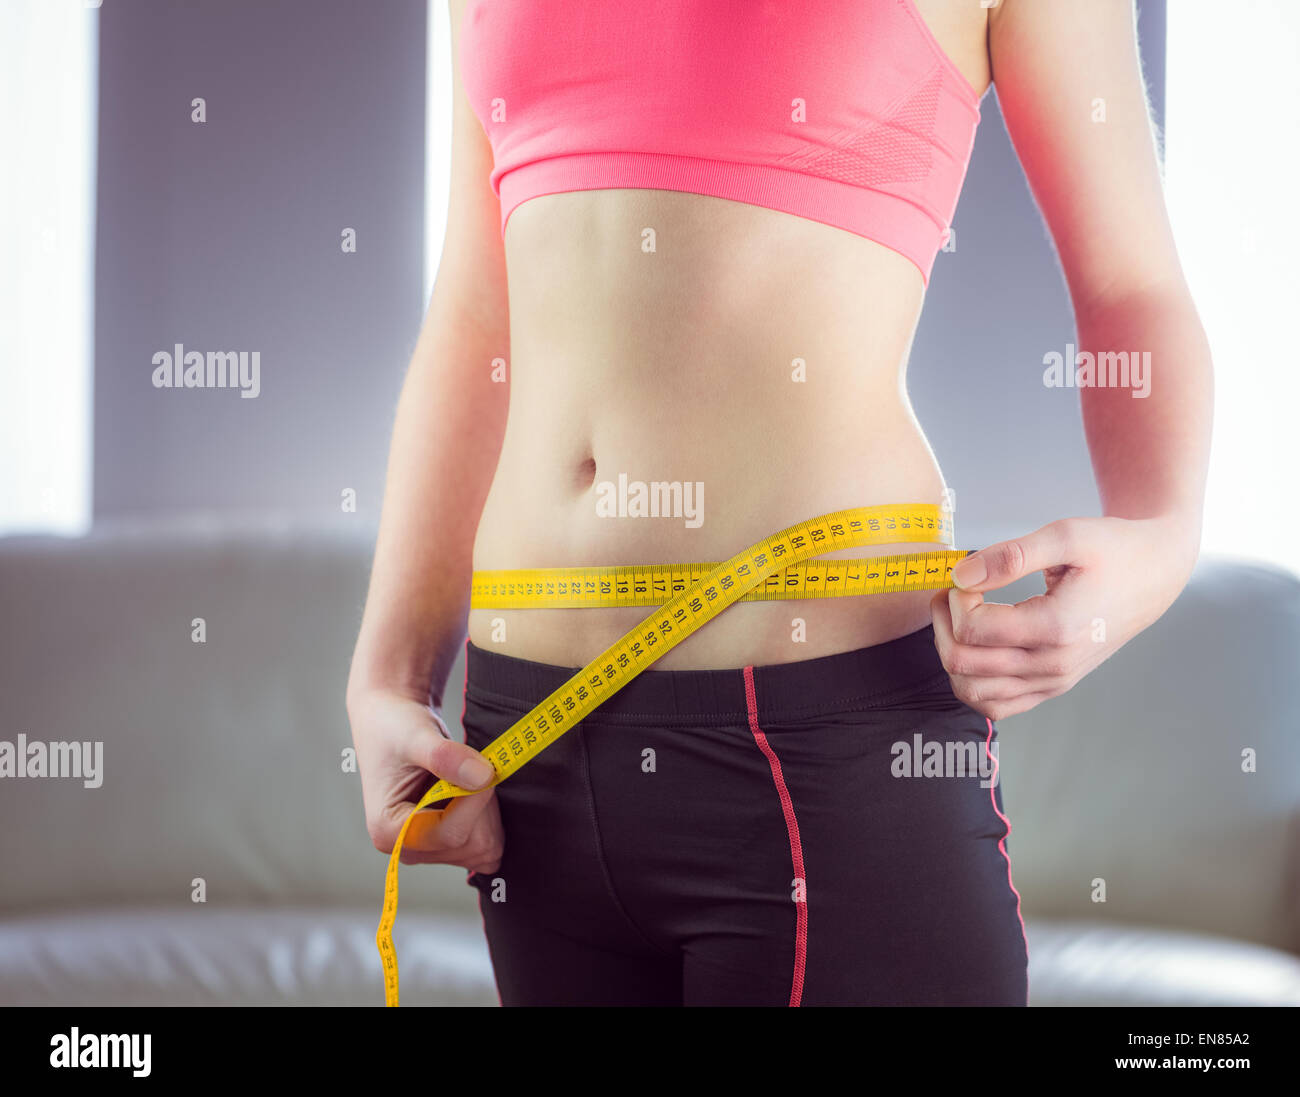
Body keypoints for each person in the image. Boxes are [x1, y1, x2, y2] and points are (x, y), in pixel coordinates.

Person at [347, 0, 1212, 1006]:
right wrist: (388, 676)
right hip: (523, 743)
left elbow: (1128, 282)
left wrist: (1162, 536)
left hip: (817, 740)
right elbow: (472, 313)